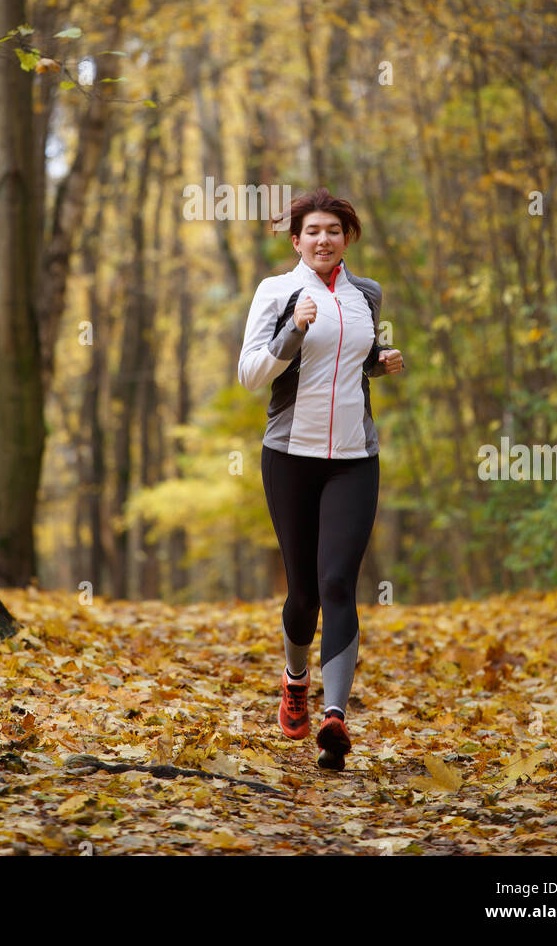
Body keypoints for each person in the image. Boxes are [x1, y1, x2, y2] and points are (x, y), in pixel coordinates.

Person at [237, 188, 404, 771]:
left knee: (338, 581)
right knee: (303, 593)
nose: (324, 239)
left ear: (347, 238)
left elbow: (353, 366)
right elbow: (251, 374)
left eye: (334, 230)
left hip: (355, 459)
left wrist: (378, 366)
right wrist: (293, 331)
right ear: (296, 240)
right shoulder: (277, 292)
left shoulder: (367, 295)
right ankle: (295, 681)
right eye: (313, 230)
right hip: (289, 456)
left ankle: (334, 717)